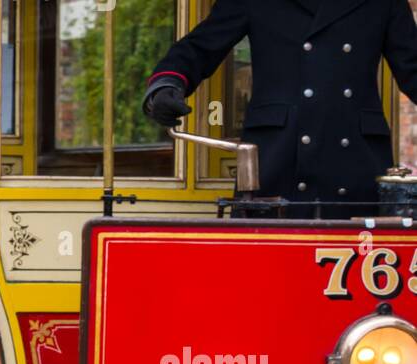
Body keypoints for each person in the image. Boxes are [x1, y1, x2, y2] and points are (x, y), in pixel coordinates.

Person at [144, 0, 417, 212]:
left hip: (356, 161)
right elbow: (200, 46)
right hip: (278, 160)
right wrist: (168, 84)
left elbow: (412, 67)